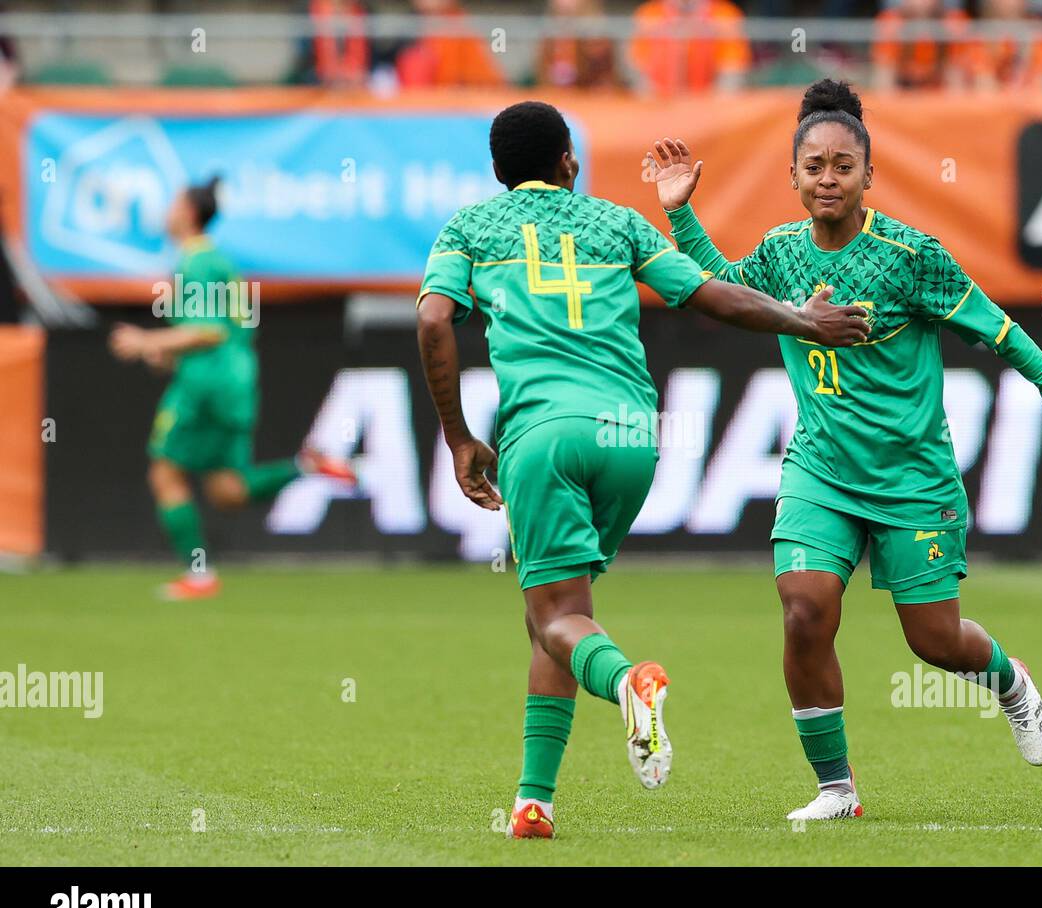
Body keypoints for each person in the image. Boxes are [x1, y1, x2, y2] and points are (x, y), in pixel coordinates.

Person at [647, 79, 1042, 821]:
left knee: (935, 643)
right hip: (821, 472)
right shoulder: (779, 251)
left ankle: (1008, 681)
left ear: (869, 175)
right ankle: (836, 789)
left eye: (843, 165)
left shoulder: (912, 256)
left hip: (912, 479)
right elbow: (722, 291)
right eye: (814, 166)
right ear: (794, 175)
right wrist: (680, 210)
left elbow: (999, 329)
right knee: (805, 610)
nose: (828, 178)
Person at [415, 100, 869, 839]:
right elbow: (711, 295)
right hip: (630, 435)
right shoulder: (617, 222)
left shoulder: (470, 227)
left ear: (500, 172)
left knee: (555, 615)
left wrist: (458, 435)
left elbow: (434, 320)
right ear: (569, 161)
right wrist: (803, 319)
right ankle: (535, 802)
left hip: (543, 436)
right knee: (565, 616)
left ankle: (628, 683)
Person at [110, 178, 356, 601]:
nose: (166, 211)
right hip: (234, 382)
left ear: (187, 213)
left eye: (172, 202)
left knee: (165, 472)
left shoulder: (197, 262)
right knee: (228, 490)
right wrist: (167, 353)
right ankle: (306, 467)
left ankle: (199, 575)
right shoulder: (218, 262)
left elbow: (208, 330)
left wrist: (146, 341)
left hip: (204, 385)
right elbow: (222, 328)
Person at [628, 0, 752, 97]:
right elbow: (637, 63)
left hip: (707, 104)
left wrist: (719, 100)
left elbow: (733, 66)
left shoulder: (724, 14)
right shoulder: (650, 13)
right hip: (660, 103)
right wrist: (650, 97)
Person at [395, 0, 503, 88]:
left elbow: (485, 83)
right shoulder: (411, 29)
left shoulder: (458, 29)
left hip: (455, 104)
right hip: (418, 103)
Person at [533, 0, 623, 90]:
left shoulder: (598, 39)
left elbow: (605, 81)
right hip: (557, 95)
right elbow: (543, 76)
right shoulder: (549, 39)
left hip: (588, 96)